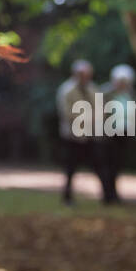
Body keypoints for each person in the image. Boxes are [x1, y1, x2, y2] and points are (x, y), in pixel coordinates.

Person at [56, 59, 116, 204]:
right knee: (70, 169)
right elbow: (67, 113)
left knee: (100, 166)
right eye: (83, 74)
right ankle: (67, 197)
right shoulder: (67, 90)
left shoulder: (92, 88)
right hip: (72, 136)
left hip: (91, 134)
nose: (86, 77)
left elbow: (101, 109)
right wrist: (88, 116)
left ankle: (108, 197)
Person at [99, 63, 136, 200]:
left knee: (117, 164)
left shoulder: (130, 93)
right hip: (109, 133)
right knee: (108, 164)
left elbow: (134, 113)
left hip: (124, 132)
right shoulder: (105, 92)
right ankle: (108, 194)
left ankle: (114, 193)